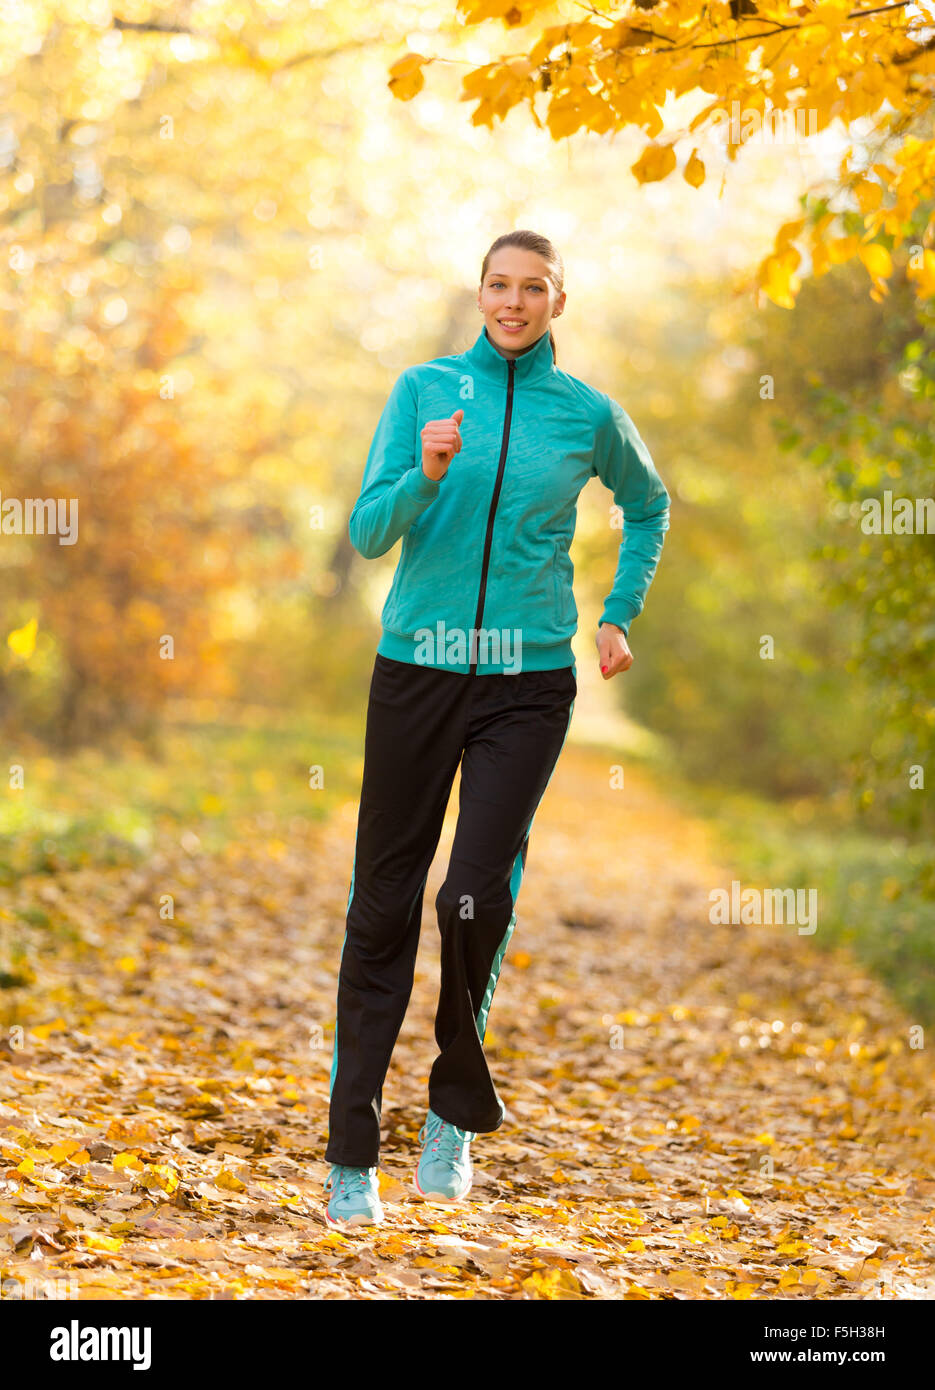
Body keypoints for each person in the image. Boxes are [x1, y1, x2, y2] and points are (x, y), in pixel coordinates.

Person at [323, 229, 670, 1227]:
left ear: (558, 301)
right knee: (382, 903)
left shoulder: (587, 415)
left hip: (525, 684)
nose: (511, 303)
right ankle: (353, 1152)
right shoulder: (421, 390)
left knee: (471, 893)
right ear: (478, 294)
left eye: (531, 289)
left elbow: (647, 506)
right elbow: (366, 532)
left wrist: (615, 612)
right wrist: (424, 475)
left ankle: (451, 1114)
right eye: (496, 286)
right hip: (415, 676)